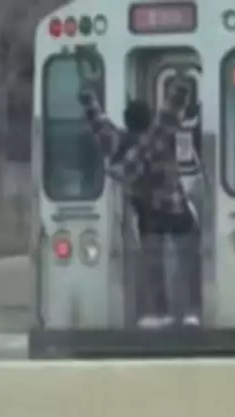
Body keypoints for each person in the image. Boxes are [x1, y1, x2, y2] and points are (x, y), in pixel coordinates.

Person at [75, 50, 201, 329]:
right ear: (148, 119)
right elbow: (170, 114)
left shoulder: (116, 142)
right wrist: (181, 82)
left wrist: (87, 92)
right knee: (186, 261)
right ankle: (190, 310)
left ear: (126, 119)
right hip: (176, 210)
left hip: (146, 214)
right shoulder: (157, 137)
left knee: (153, 264)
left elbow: (97, 122)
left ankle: (158, 312)